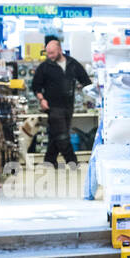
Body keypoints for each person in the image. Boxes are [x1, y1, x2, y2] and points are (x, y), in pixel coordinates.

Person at [30, 36, 93, 169]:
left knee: (56, 134)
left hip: (69, 106)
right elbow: (36, 86)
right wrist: (42, 99)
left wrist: (83, 89)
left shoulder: (73, 64)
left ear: (59, 50)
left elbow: (86, 81)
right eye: (48, 53)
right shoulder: (45, 67)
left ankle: (49, 161)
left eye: (52, 53)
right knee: (63, 135)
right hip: (52, 106)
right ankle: (72, 162)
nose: (50, 56)